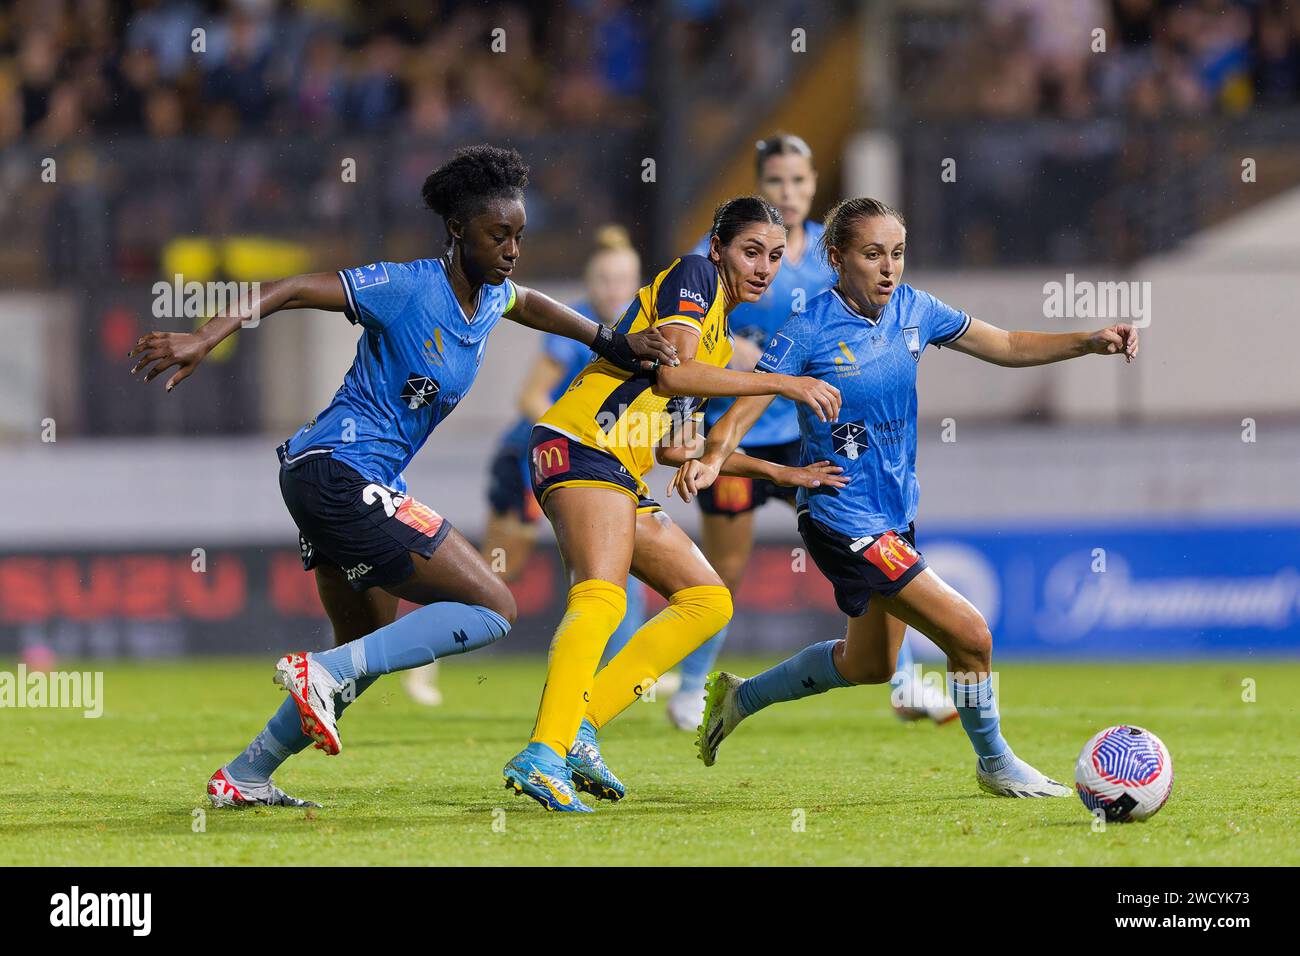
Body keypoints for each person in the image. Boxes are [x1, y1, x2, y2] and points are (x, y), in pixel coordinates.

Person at [129, 145, 677, 808]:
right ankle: (318, 673)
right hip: (336, 470)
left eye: (519, 237)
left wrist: (613, 344)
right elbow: (296, 287)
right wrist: (204, 338)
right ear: (456, 230)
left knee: (363, 653)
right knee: (494, 608)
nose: (511, 250)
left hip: (330, 482)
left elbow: (531, 304)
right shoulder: (409, 287)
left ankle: (246, 774)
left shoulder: (495, 295)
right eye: (497, 235)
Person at [677, 196, 1140, 798]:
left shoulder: (915, 310)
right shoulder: (807, 327)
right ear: (838, 258)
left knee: (868, 665)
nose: (889, 268)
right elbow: (749, 402)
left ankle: (742, 697)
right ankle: (995, 762)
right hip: (841, 514)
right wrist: (714, 456)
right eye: (873, 255)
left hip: (895, 513)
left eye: (897, 254)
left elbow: (1003, 344)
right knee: (970, 636)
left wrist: (1087, 342)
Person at [502, 195, 845, 812]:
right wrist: (782, 380)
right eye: (749, 251)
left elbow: (675, 444)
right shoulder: (694, 278)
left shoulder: (716, 342)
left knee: (707, 599)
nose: (764, 266)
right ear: (718, 249)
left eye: (773, 255)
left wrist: (781, 471)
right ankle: (543, 750)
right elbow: (672, 376)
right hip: (580, 442)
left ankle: (581, 727)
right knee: (601, 597)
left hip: (619, 465)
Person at [668, 133, 953, 730]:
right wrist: (727, 350)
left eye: (799, 182)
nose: (790, 194)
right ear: (758, 187)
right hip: (744, 432)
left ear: (813, 183)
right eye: (776, 183)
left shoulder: (836, 250)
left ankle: (901, 679)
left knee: (883, 544)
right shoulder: (719, 253)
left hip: (817, 437)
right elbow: (686, 346)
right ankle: (693, 686)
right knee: (725, 573)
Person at [400, 225, 652, 705]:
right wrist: (584, 435)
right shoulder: (576, 328)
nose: (613, 289)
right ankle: (422, 651)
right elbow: (530, 397)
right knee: (497, 574)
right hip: (532, 459)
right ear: (590, 281)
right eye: (604, 279)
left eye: (623, 279)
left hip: (591, 465)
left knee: (617, 558)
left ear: (637, 282)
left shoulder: (639, 328)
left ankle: (625, 676)